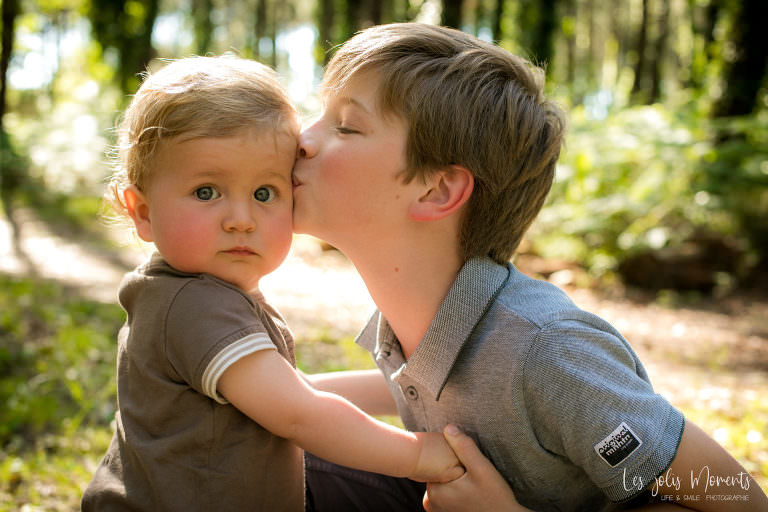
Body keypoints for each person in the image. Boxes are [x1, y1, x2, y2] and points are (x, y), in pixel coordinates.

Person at [293, 23, 768, 511]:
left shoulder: (550, 351)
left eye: (346, 126)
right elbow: (461, 392)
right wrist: (280, 392)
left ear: (437, 190)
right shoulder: (422, 321)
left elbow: (740, 500)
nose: (301, 139)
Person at [81, 55, 464, 512]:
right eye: (206, 192)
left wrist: (410, 389)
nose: (241, 220)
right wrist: (417, 456)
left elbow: (299, 388)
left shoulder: (200, 293)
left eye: (264, 193)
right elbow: (301, 414)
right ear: (143, 212)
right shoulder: (192, 304)